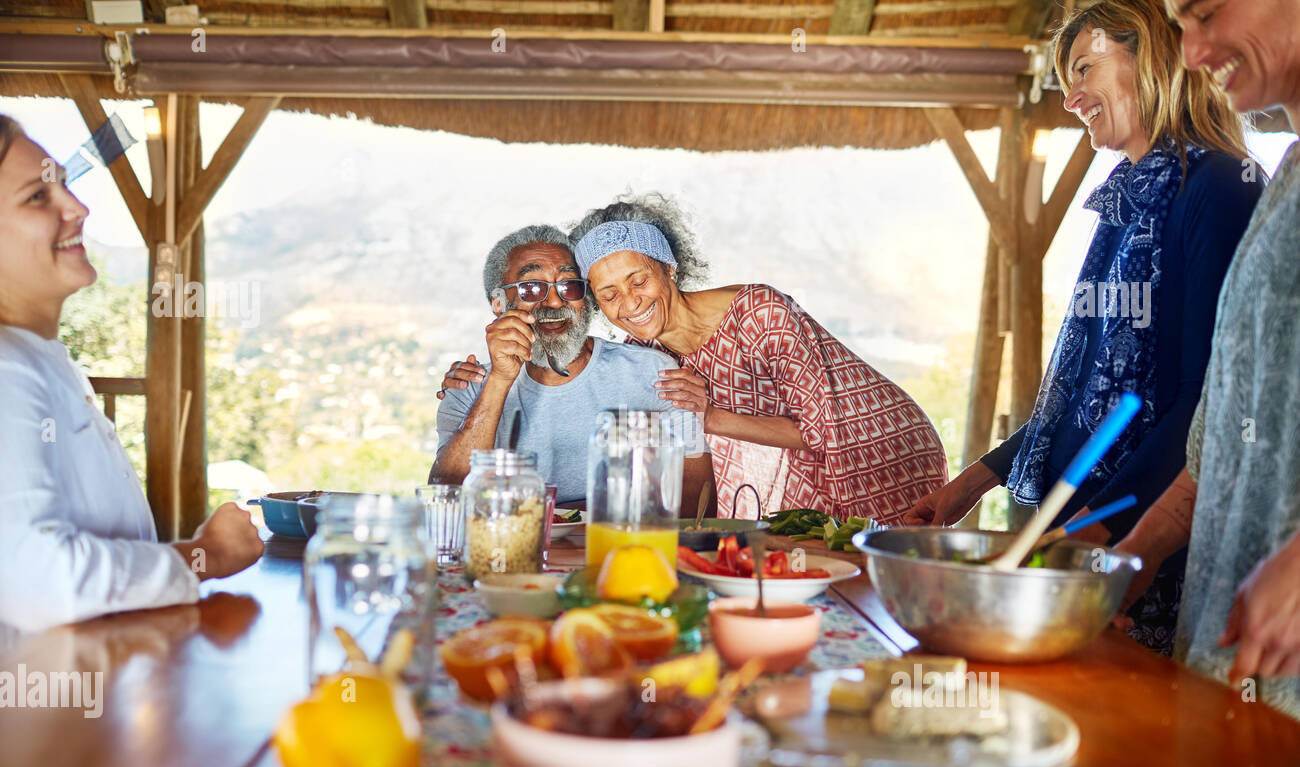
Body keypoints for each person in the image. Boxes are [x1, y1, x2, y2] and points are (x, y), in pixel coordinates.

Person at [901, 0, 1262, 654]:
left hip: (1145, 549)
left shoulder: (1217, 188)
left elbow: (1203, 403)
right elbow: (1080, 399)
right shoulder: (1123, 205)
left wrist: (1102, 530)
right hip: (1084, 536)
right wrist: (973, 482)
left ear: (1148, 57)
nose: (1070, 98)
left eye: (1085, 68)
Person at [0, 116, 263, 636]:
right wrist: (203, 556)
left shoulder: (46, 361)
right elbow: (36, 580)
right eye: (37, 197)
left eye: (65, 185)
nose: (78, 207)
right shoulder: (7, 368)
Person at [1113, 0, 1300, 715]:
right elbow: (1223, 444)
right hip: (1227, 681)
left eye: (1207, 12)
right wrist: (1140, 548)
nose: (1191, 54)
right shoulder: (1282, 183)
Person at [562, 195, 947, 523]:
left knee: (878, 584)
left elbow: (819, 430)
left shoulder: (760, 313)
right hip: (799, 462)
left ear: (668, 269)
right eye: (609, 295)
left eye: (639, 280)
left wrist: (709, 416)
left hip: (884, 447)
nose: (630, 303)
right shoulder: (645, 356)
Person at [430, 224, 711, 510]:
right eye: (531, 288)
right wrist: (500, 379)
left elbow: (697, 502)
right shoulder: (469, 386)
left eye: (569, 285)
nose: (554, 301)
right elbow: (445, 498)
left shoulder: (653, 373)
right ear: (499, 303)